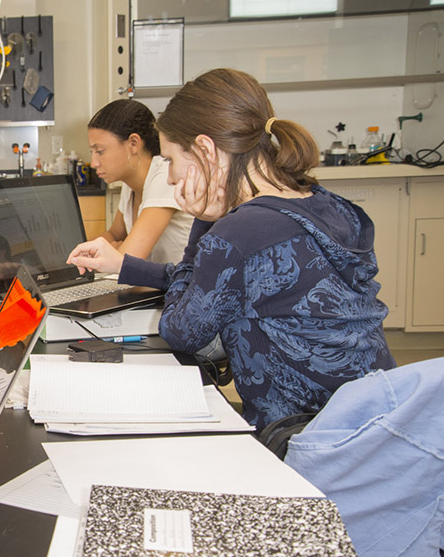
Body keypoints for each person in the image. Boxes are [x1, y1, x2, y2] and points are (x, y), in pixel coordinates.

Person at [67, 68, 395, 430]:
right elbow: (220, 281)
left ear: (205, 150)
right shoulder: (326, 203)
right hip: (376, 423)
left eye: (171, 160)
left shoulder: (237, 233)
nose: (171, 177)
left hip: (303, 438)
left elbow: (180, 331)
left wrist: (204, 222)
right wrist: (125, 265)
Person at [86, 99, 194, 264]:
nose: (94, 163)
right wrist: (81, 252)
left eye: (100, 151)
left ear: (133, 143)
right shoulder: (130, 183)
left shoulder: (165, 176)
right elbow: (114, 235)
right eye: (92, 152)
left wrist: (113, 251)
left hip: (179, 280)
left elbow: (126, 261)